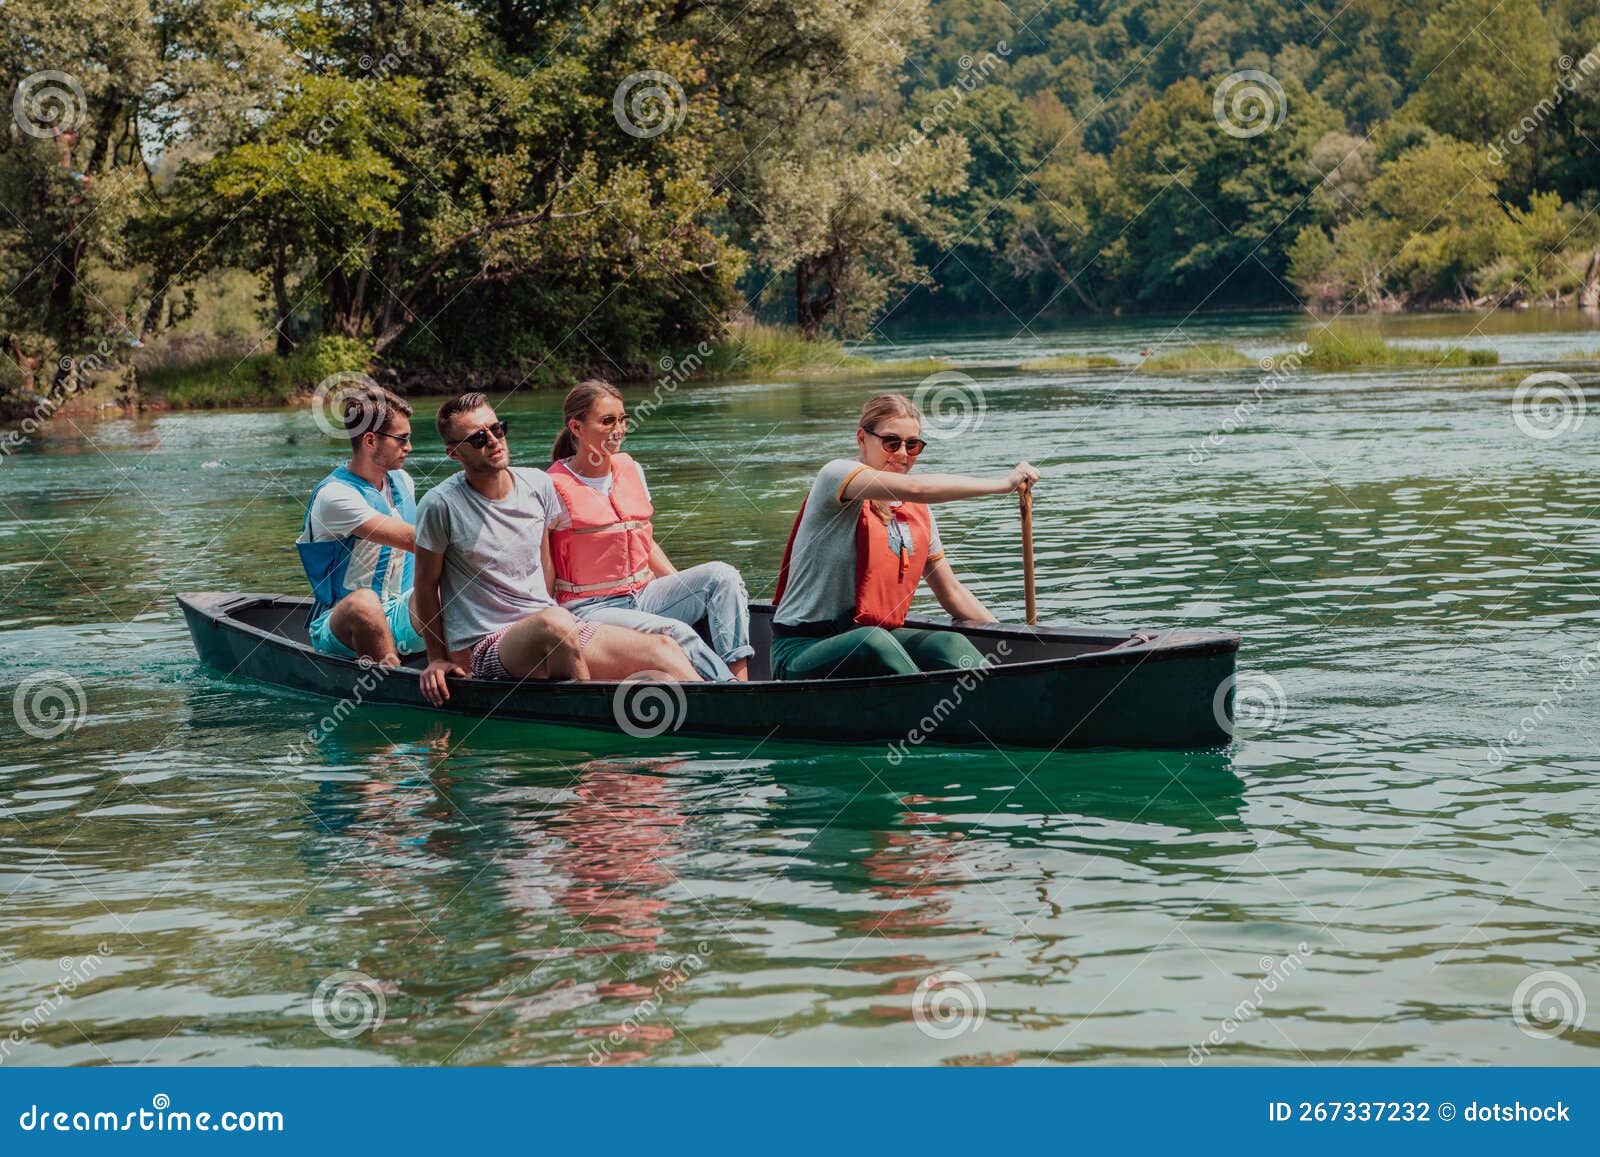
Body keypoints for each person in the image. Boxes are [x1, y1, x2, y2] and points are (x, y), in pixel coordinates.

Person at [413, 393, 701, 706]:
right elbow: (426, 585)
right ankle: (588, 720)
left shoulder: (537, 485)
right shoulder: (440, 505)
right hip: (484, 644)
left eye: (497, 429)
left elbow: (545, 561)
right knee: (555, 624)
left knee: (663, 647)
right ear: (454, 453)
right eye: (478, 438)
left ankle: (716, 712)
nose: (494, 441)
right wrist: (436, 658)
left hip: (554, 625)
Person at [770, 392, 1039, 680]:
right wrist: (1003, 484)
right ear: (862, 438)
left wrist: (1013, 637)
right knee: (872, 641)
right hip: (801, 651)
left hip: (873, 643)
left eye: (912, 445)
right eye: (891, 442)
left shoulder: (916, 512)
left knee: (948, 643)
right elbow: (916, 487)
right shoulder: (835, 476)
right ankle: (932, 700)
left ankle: (1001, 691)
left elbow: (951, 593)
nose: (902, 453)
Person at [545, 380, 752, 682]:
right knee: (675, 631)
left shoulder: (632, 469)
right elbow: (544, 566)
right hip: (591, 609)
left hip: (645, 594)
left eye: (622, 419)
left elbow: (643, 539)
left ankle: (742, 680)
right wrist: (546, 622)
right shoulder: (551, 488)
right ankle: (729, 691)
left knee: (723, 576)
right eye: (607, 421)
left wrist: (682, 587)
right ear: (576, 427)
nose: (618, 429)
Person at [295, 386, 423, 666]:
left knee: (451, 586)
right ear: (370, 440)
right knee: (365, 603)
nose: (409, 448)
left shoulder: (403, 481)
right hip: (344, 629)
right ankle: (389, 680)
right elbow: (416, 540)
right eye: (402, 439)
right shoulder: (334, 496)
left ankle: (465, 668)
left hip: (399, 615)